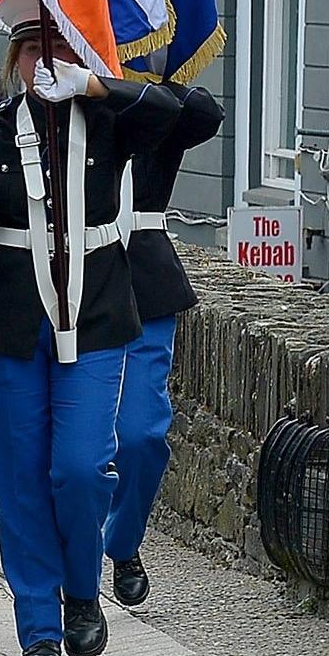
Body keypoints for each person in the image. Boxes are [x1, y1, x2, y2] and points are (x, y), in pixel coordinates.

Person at [0, 0, 179, 656]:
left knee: (78, 469)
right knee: (20, 479)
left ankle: (82, 588)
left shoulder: (108, 122)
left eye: (64, 50)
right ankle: (38, 626)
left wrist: (96, 84)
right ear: (13, 60)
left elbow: (181, 114)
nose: (48, 64)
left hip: (98, 318)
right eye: (36, 51)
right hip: (12, 327)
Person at [105, 81, 223, 607]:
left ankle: (123, 542)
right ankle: (69, 563)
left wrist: (154, 72)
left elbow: (204, 114)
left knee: (142, 436)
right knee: (76, 452)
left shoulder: (156, 105)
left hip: (147, 284)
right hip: (80, 283)